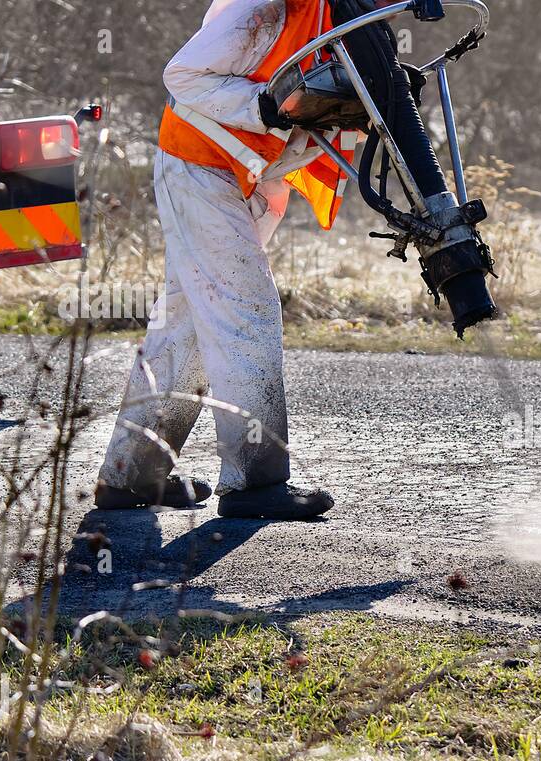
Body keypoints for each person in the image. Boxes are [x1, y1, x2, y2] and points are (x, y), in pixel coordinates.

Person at [94, 0, 394, 519]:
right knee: (245, 307)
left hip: (246, 175)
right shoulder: (271, 9)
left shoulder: (352, 23)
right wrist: (266, 108)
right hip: (199, 165)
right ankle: (255, 482)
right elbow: (183, 74)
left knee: (186, 324)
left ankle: (132, 474)